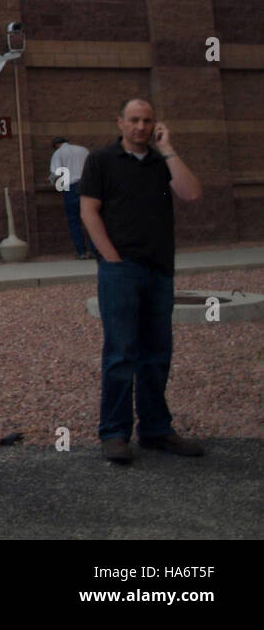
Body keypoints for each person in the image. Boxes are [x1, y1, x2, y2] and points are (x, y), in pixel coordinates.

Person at [78, 98, 204, 464]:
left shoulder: (161, 162)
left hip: (159, 269)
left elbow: (192, 193)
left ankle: (156, 429)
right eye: (133, 120)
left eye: (147, 121)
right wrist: (112, 259)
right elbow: (89, 211)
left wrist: (167, 149)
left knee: (157, 353)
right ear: (119, 122)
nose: (140, 127)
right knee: (120, 353)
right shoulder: (101, 160)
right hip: (120, 270)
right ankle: (115, 433)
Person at [49, 135, 93, 258]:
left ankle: (82, 252)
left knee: (74, 222)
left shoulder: (58, 153)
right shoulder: (83, 150)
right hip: (88, 186)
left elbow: (57, 174)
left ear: (56, 146)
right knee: (92, 218)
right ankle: (95, 250)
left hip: (72, 187)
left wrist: (60, 187)